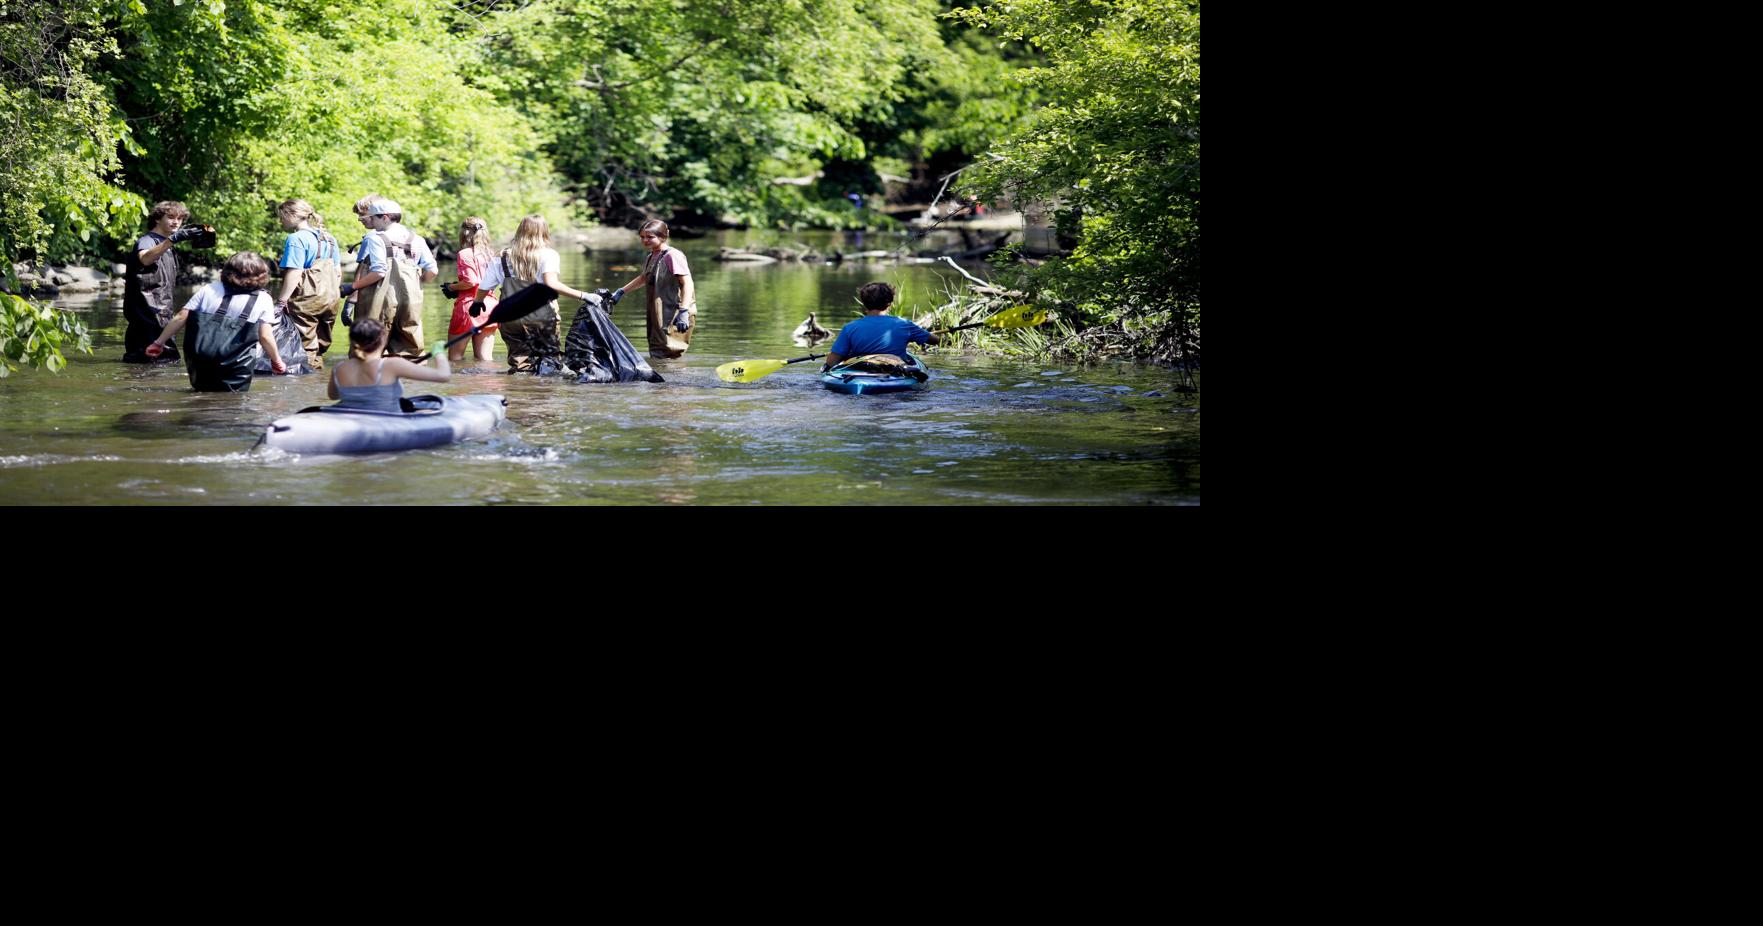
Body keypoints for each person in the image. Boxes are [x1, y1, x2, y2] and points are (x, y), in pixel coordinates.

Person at [144, 251, 287, 391]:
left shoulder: (209, 289)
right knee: (234, 400)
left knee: (200, 392)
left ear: (228, 271)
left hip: (200, 357)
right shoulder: (264, 299)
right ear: (262, 275)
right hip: (238, 362)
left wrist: (158, 343)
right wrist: (277, 361)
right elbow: (265, 336)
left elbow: (181, 317)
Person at [477, 214, 591, 373]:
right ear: (544, 232)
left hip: (511, 319)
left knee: (520, 365)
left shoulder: (501, 256)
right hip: (541, 317)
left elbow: (484, 286)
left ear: (520, 231)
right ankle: (542, 394)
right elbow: (552, 284)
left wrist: (477, 302)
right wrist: (584, 295)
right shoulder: (548, 254)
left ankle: (520, 393)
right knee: (550, 362)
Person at [339, 198, 436, 359]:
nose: (370, 220)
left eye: (372, 218)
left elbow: (378, 272)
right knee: (411, 350)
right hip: (411, 301)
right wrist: (417, 284)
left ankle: (371, 382)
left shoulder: (374, 238)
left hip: (380, 299)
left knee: (371, 346)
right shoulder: (417, 239)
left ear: (384, 217)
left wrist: (352, 287)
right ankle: (409, 380)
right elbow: (432, 270)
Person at [121, 201, 203, 362]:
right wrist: (173, 239)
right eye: (171, 217)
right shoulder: (148, 240)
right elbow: (145, 259)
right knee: (159, 359)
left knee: (161, 361)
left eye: (180, 218)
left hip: (161, 312)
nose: (176, 222)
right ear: (158, 219)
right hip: (146, 313)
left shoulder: (167, 244)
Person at [607, 219, 697, 359]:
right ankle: (663, 378)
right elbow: (644, 278)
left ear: (663, 236)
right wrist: (621, 291)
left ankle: (677, 380)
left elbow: (687, 283)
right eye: (642, 237)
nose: (645, 240)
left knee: (671, 352)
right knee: (658, 351)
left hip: (675, 314)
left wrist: (684, 311)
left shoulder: (672, 255)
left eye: (650, 237)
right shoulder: (652, 256)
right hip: (658, 313)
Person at [271, 198, 341, 369]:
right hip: (331, 299)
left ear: (293, 215)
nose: (281, 221)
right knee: (319, 348)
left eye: (282, 217)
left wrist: (281, 302)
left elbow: (294, 272)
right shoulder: (329, 238)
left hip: (306, 300)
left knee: (304, 346)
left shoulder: (295, 239)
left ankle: (305, 387)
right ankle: (318, 383)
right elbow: (338, 272)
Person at [327, 318, 450, 412]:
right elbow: (443, 375)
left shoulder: (339, 368)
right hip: (388, 421)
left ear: (352, 341)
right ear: (382, 340)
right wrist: (439, 353)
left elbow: (333, 396)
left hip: (352, 421)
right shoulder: (392, 365)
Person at [821, 282, 940, 370]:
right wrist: (921, 334)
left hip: (860, 370)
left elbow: (832, 362)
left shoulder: (850, 327)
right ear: (889, 303)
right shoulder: (904, 324)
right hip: (894, 370)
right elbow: (935, 340)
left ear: (864, 304)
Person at [439, 216, 499, 364]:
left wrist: (451, 287)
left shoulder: (465, 254)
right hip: (489, 307)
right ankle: (486, 386)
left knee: (455, 358)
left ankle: (464, 386)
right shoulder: (493, 254)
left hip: (468, 307)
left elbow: (471, 281)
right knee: (485, 359)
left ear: (464, 233)